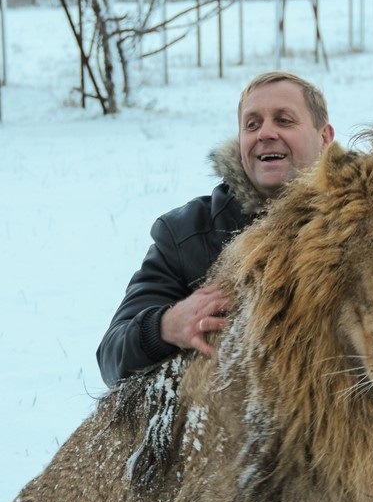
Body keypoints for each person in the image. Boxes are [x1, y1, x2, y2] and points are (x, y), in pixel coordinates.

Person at [97, 71, 335, 387]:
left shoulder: (371, 223)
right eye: (252, 124)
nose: (265, 133)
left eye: (284, 120)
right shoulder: (186, 233)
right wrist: (166, 326)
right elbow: (112, 357)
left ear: (324, 137)